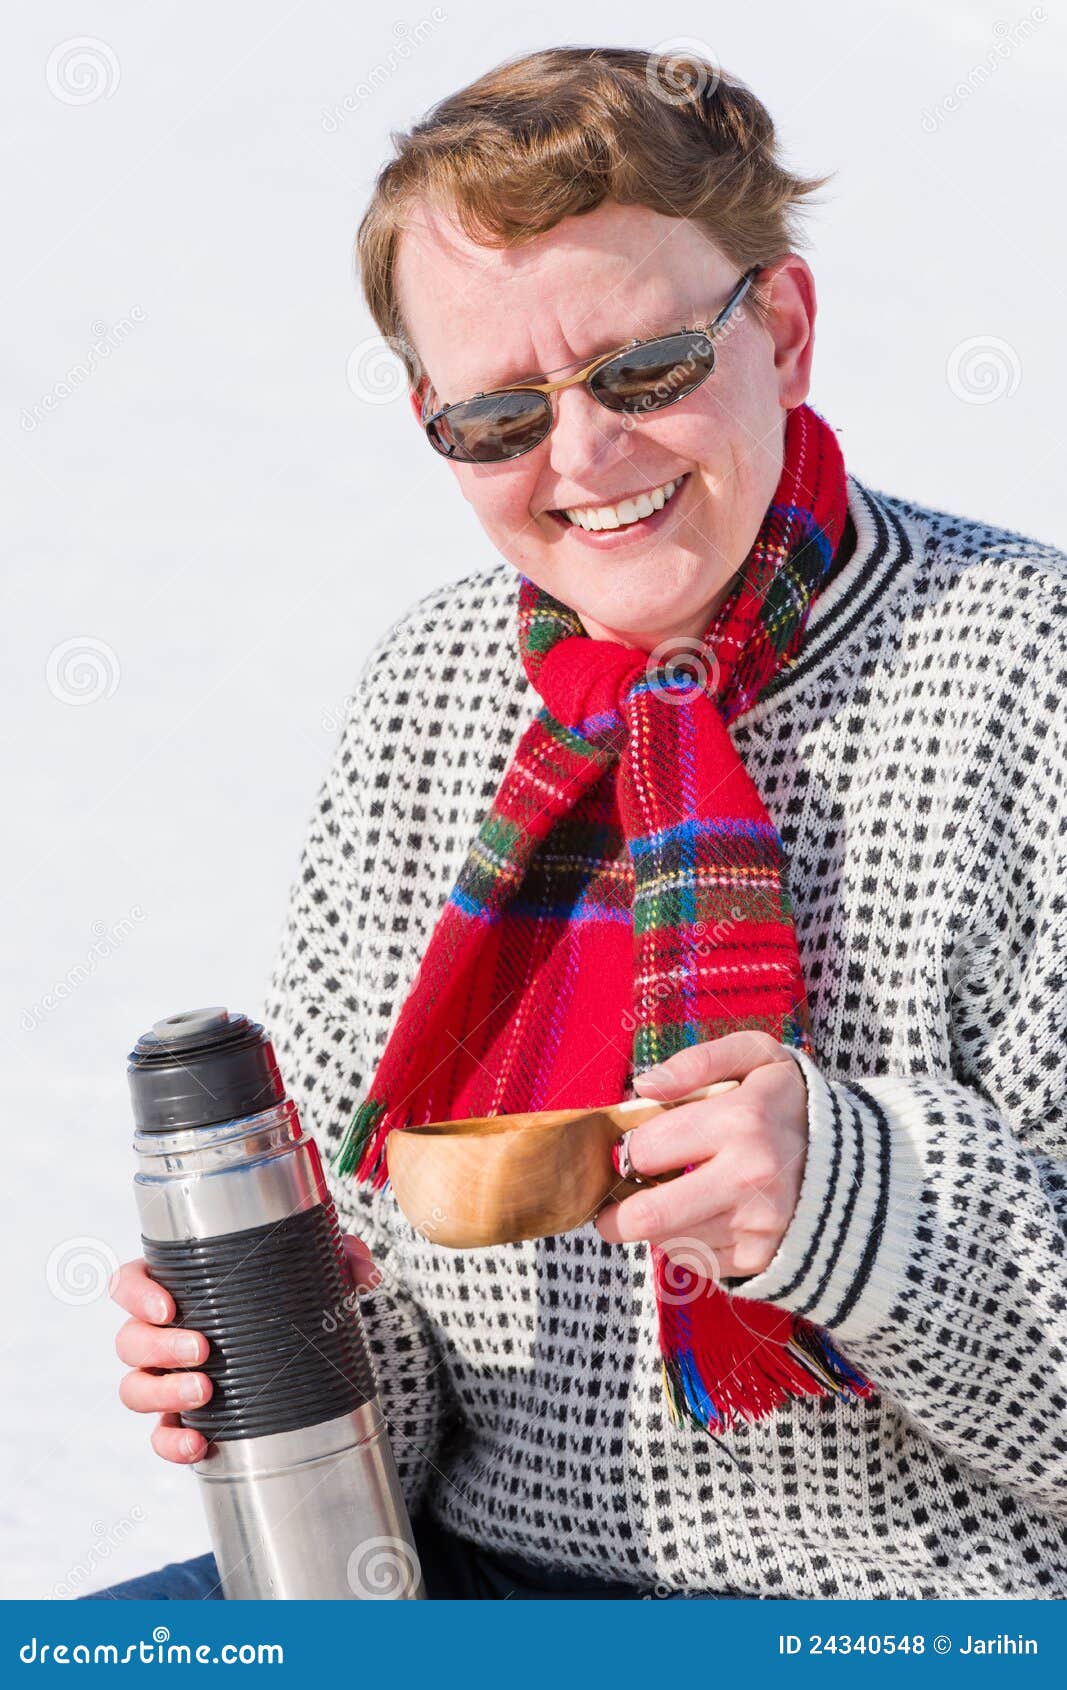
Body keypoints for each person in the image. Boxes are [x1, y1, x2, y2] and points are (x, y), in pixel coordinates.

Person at [93, 46, 1065, 1600]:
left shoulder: (1027, 676)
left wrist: (847, 1198)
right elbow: (404, 1302)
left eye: (647, 370)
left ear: (787, 330)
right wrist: (283, 1351)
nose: (584, 457)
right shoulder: (430, 690)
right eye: (494, 415)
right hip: (467, 1582)